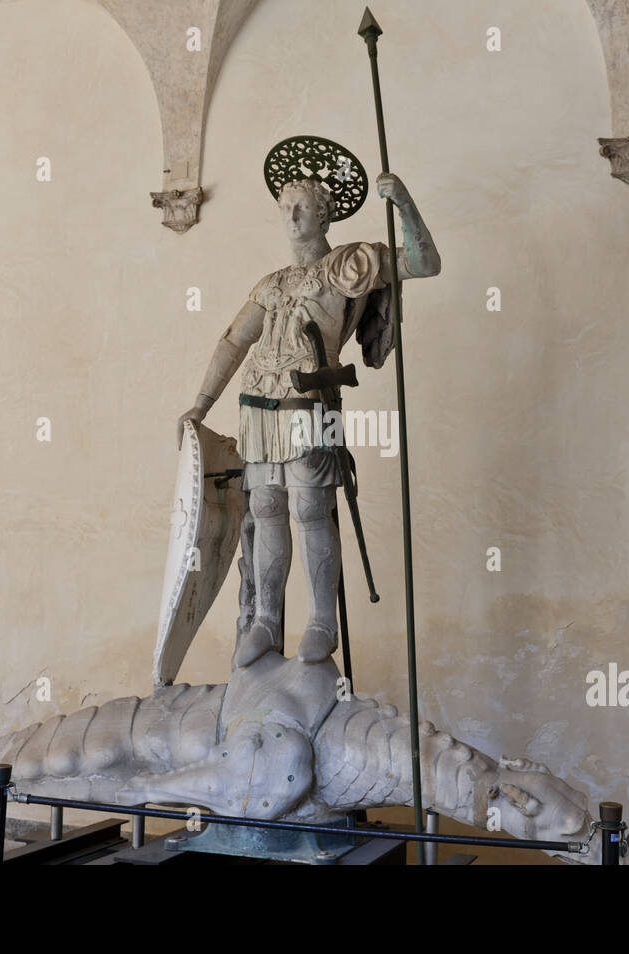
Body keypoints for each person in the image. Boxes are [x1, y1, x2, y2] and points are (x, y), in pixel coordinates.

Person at [178, 172, 439, 668]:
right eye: (285, 207)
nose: (292, 217)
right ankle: (266, 623)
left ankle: (322, 623)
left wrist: (404, 203)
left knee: (310, 511)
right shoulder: (272, 283)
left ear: (325, 213)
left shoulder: (351, 265)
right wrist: (201, 403)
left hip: (312, 404)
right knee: (269, 507)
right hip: (257, 405)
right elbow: (235, 341)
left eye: (302, 206)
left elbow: (425, 263)